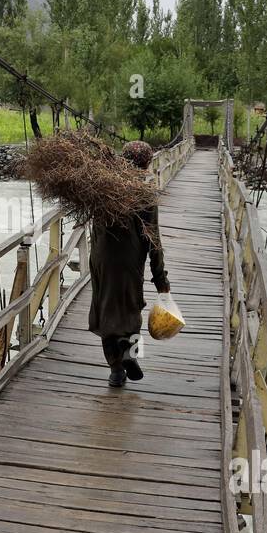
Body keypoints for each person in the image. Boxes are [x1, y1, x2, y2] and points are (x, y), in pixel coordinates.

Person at [87, 140, 170, 388]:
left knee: (105, 309)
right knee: (131, 310)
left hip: (101, 257)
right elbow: (152, 238)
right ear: (146, 163)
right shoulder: (144, 190)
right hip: (129, 259)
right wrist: (161, 280)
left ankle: (115, 371)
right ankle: (130, 354)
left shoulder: (102, 186)